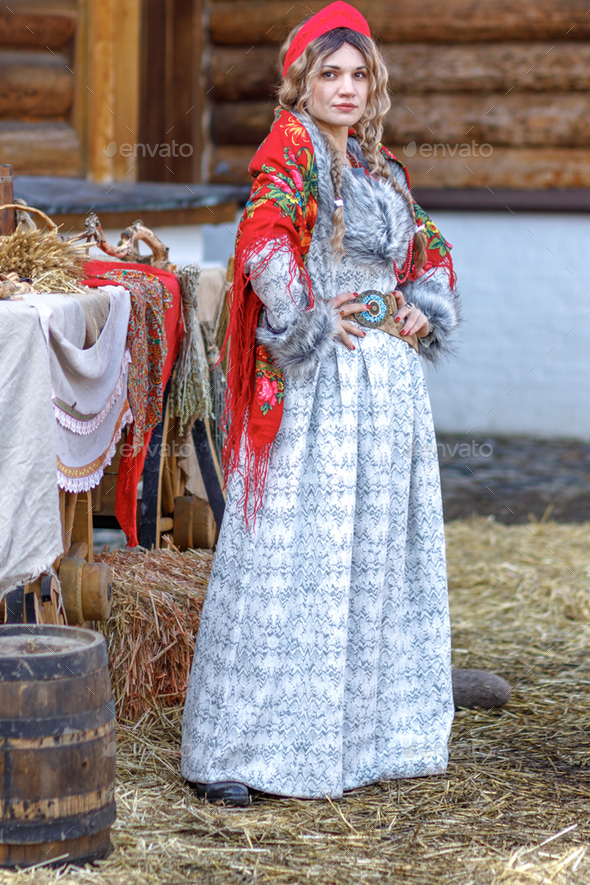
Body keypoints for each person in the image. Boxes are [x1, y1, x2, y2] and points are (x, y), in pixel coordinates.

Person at [181, 0, 460, 806]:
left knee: (370, 556)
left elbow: (430, 250)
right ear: (300, 84)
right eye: (328, 73)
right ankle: (244, 748)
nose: (345, 86)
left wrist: (420, 304)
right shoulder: (293, 154)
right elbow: (263, 236)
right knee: (292, 556)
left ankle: (361, 739)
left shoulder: (382, 170)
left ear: (374, 84)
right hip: (325, 389)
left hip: (386, 390)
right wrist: (306, 315)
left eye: (358, 73)